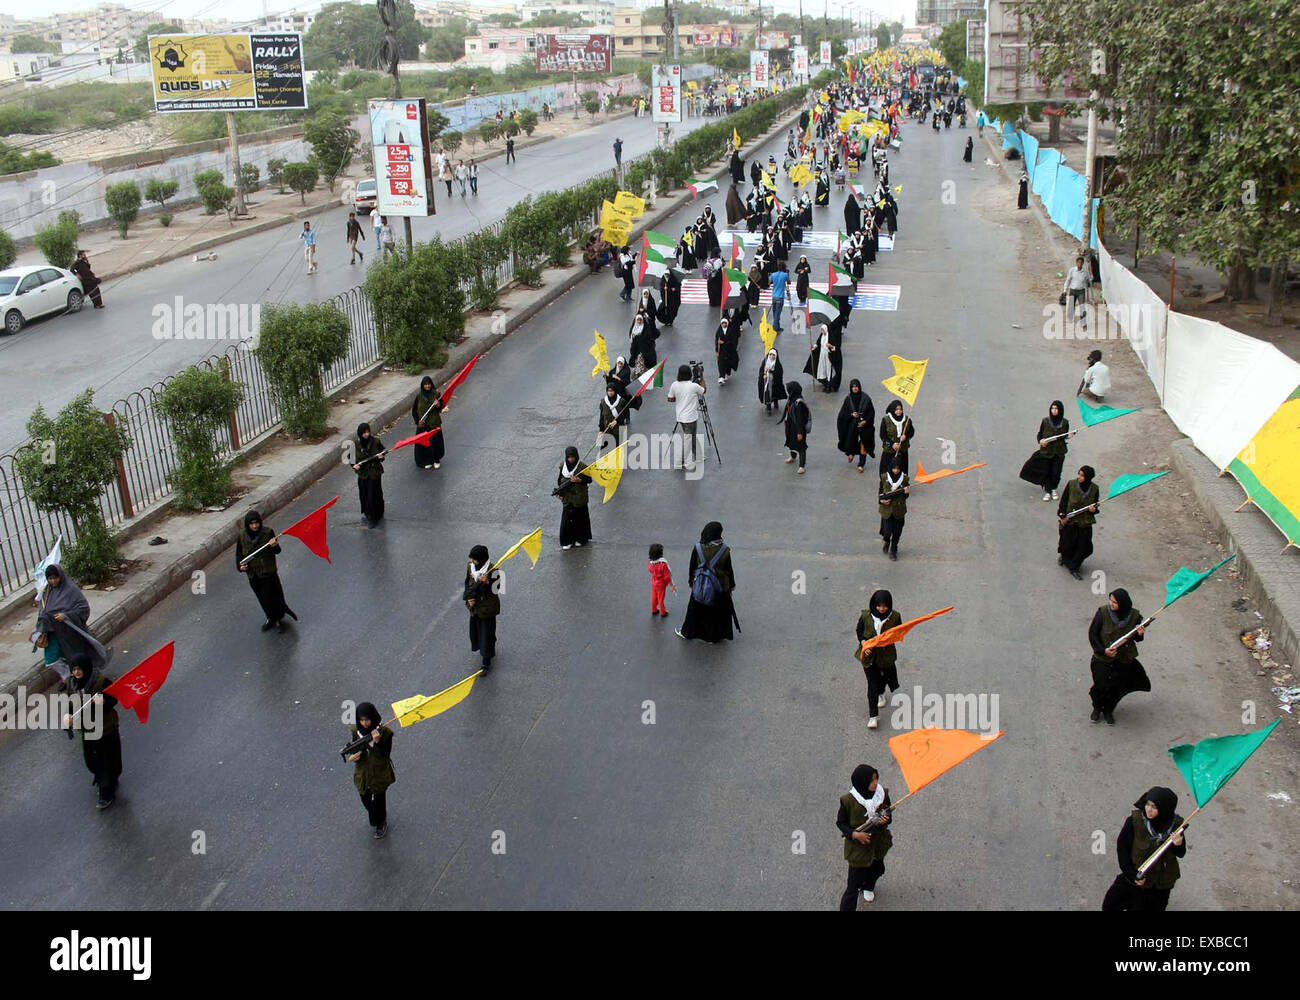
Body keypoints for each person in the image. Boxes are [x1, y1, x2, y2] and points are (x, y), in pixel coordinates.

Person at [1102, 787, 1187, 911]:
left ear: (1165, 809)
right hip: (1136, 876)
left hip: (1159, 884)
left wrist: (1178, 844)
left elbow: (1181, 853)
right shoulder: (1134, 822)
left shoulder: (1175, 828)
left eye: (1154, 807)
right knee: (1111, 905)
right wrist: (1132, 875)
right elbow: (1123, 848)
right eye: (1148, 804)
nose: (1149, 810)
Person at [61, 654, 121, 810]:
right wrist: (67, 715)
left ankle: (106, 791)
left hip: (105, 729)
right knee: (91, 760)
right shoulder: (71, 685)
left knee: (107, 759)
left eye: (79, 668)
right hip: (86, 730)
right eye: (73, 669)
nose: (76, 672)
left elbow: (115, 698)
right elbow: (68, 702)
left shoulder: (101, 682)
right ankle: (106, 779)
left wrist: (104, 701)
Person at [1088, 588, 1150, 724]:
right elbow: (1093, 634)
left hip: (1123, 660)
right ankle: (1097, 708)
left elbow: (1136, 639)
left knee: (1115, 687)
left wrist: (1140, 633)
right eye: (1110, 601)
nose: (1111, 604)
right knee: (1100, 685)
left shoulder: (1134, 616)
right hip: (1102, 659)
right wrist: (1104, 651)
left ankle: (1108, 710)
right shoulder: (1102, 613)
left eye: (1115, 602)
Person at [836, 764, 894, 909]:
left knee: (877, 868)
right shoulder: (848, 801)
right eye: (871, 781)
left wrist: (885, 820)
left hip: (878, 843)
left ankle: (868, 886)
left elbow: (888, 814)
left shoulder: (882, 794)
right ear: (862, 783)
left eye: (876, 779)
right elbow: (841, 823)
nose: (876, 783)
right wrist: (855, 835)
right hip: (859, 851)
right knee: (852, 887)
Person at [35, 564, 108, 673]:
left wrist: (66, 616)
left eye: (55, 578)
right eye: (50, 579)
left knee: (77, 658)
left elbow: (83, 608)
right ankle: (67, 678)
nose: (53, 581)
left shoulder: (70, 589)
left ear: (60, 576)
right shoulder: (46, 592)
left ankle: (84, 678)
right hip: (53, 632)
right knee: (52, 659)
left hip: (71, 633)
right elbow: (42, 609)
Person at [675, 521, 738, 643]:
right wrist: (732, 584)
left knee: (695, 610)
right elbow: (728, 569)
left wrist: (691, 582)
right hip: (720, 586)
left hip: (701, 584)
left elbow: (692, 566)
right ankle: (714, 636)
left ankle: (687, 632)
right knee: (717, 613)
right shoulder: (724, 550)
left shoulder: (698, 548)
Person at [236, 510, 298, 631]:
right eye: (251, 524)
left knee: (272, 598)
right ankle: (270, 618)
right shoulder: (242, 535)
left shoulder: (267, 533)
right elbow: (239, 554)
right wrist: (240, 567)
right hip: (253, 575)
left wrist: (274, 545)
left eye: (256, 523)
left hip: (267, 574)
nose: (254, 526)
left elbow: (277, 551)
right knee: (262, 599)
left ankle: (279, 618)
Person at [346, 702, 394, 839]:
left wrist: (377, 742)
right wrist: (353, 757)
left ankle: (381, 822)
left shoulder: (385, 733)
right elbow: (355, 747)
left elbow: (385, 754)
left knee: (379, 798)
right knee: (365, 797)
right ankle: (376, 816)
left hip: (379, 772)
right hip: (363, 773)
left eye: (367, 719)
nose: (364, 723)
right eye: (361, 720)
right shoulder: (356, 731)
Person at [856, 591, 901, 729]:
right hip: (869, 657)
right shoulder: (865, 616)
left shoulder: (895, 617)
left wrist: (887, 639)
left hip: (886, 655)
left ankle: (882, 692)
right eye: (879, 606)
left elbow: (899, 632)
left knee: (885, 678)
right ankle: (873, 716)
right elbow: (859, 631)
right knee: (872, 684)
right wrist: (864, 643)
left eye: (885, 606)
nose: (882, 609)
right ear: (874, 605)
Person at [1019, 400, 1074, 502]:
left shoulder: (1065, 422)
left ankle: (1054, 488)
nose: (1054, 411)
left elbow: (1063, 436)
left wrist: (1069, 436)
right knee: (1047, 471)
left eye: (1056, 408)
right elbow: (1040, 434)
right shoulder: (1045, 421)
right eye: (1052, 408)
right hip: (1047, 452)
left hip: (1059, 452)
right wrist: (1041, 441)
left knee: (1056, 472)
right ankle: (1048, 491)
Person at [1057, 465, 1100, 580]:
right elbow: (1064, 501)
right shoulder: (1071, 484)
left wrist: (1093, 510)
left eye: (1082, 475)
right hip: (1071, 521)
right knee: (1066, 545)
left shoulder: (1095, 489)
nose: (1079, 477)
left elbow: (1095, 505)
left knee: (1084, 547)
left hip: (1085, 523)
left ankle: (1074, 567)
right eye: (1079, 474)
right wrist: (1062, 515)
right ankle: (1065, 558)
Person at [463, 545, 501, 671]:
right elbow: (467, 583)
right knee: (477, 632)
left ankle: (486, 662)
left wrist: (487, 583)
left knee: (486, 635)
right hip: (475, 608)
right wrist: (469, 598)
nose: (473, 562)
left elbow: (498, 589)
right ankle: (488, 645)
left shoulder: (494, 569)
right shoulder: (470, 567)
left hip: (487, 609)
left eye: (475, 559)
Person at [667, 363, 706, 470]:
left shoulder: (674, 384)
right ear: (690, 374)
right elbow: (704, 391)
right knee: (688, 439)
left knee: (692, 436)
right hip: (691, 417)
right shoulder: (693, 386)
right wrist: (701, 376)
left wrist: (680, 399)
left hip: (680, 416)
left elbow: (670, 399)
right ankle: (680, 462)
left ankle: (699, 456)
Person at [555, 446, 592, 549]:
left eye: (573, 457)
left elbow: (589, 479)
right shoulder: (563, 467)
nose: (571, 459)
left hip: (579, 498)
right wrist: (560, 493)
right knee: (566, 520)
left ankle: (581, 539)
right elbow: (559, 481)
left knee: (580, 519)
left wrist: (579, 480)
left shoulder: (582, 467)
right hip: (568, 498)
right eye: (569, 457)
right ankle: (567, 541)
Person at [836, 378, 876, 472]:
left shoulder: (866, 398)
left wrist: (865, 421)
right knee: (852, 442)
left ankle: (861, 464)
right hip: (852, 426)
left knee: (864, 445)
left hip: (865, 427)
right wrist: (851, 415)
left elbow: (871, 413)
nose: (855, 389)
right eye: (853, 387)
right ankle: (851, 454)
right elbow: (842, 414)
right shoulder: (848, 399)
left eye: (856, 386)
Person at [352, 422, 385, 527]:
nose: (366, 434)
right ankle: (368, 513)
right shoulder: (356, 445)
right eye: (364, 433)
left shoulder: (375, 441)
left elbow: (382, 452)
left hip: (374, 473)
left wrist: (381, 456)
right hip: (363, 474)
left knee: (373, 495)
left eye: (367, 432)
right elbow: (351, 459)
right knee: (364, 494)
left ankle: (374, 518)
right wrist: (354, 465)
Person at [410, 375, 445, 469]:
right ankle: (428, 460)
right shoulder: (419, 396)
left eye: (429, 384)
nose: (427, 386)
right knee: (425, 444)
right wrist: (418, 422)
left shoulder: (436, 394)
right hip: (423, 425)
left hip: (434, 423)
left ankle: (436, 459)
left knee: (435, 443)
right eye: (425, 384)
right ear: (422, 385)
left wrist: (438, 405)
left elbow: (441, 407)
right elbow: (414, 411)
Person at [878, 457, 909, 561]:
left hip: (899, 510)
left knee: (897, 532)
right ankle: (887, 541)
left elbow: (905, 496)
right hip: (887, 510)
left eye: (898, 468)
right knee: (887, 531)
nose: (896, 471)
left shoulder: (904, 479)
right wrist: (881, 501)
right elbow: (880, 493)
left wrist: (906, 492)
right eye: (894, 468)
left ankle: (893, 550)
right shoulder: (884, 478)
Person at [781, 380, 811, 474]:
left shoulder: (799, 403)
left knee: (801, 446)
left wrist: (799, 432)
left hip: (798, 427)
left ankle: (802, 466)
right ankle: (793, 457)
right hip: (790, 425)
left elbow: (800, 419)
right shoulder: (791, 399)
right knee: (791, 442)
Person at [878, 400, 914, 476]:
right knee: (886, 470)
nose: (899, 411)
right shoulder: (886, 420)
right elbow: (882, 436)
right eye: (897, 409)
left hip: (902, 450)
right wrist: (892, 444)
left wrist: (906, 437)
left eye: (900, 409)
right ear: (892, 409)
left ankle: (902, 486)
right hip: (889, 451)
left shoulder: (907, 420)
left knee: (902, 469)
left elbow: (911, 432)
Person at [648, 543, 676, 618]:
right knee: (661, 598)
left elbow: (650, 570)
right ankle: (663, 612)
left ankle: (654, 610)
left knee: (654, 597)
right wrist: (672, 585)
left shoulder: (651, 563)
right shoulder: (663, 565)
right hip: (661, 585)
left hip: (654, 583)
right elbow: (667, 577)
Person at [598, 381, 629, 449]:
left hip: (619, 428)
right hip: (607, 428)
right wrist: (601, 430)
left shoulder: (621, 401)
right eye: (608, 391)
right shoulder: (603, 402)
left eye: (612, 391)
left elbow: (625, 413)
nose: (610, 393)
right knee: (605, 450)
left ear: (615, 391)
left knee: (619, 448)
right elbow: (602, 416)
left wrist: (617, 421)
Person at [1063, 255, 1091, 328]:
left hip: (1081, 291)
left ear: (1083, 263)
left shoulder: (1085, 272)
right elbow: (1068, 280)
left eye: (1081, 263)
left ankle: (1083, 322)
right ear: (1076, 263)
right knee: (1071, 305)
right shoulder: (1072, 270)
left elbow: (1089, 279)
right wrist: (1065, 290)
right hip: (1072, 290)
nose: (1079, 264)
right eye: (1078, 262)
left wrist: (1090, 279)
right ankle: (1070, 319)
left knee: (1082, 307)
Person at [757, 348, 786, 414]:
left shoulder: (778, 364)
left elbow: (779, 373)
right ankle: (769, 407)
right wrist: (763, 375)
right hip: (767, 383)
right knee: (767, 393)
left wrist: (771, 371)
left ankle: (775, 402)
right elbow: (761, 372)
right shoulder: (765, 362)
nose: (772, 356)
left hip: (774, 383)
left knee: (774, 393)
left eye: (773, 355)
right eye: (770, 354)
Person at [769, 262, 788, 332]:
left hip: (774, 296)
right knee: (778, 313)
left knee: (774, 312)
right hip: (780, 297)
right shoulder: (785, 275)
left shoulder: (773, 274)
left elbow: (769, 283)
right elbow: (788, 282)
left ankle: (777, 326)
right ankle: (775, 327)